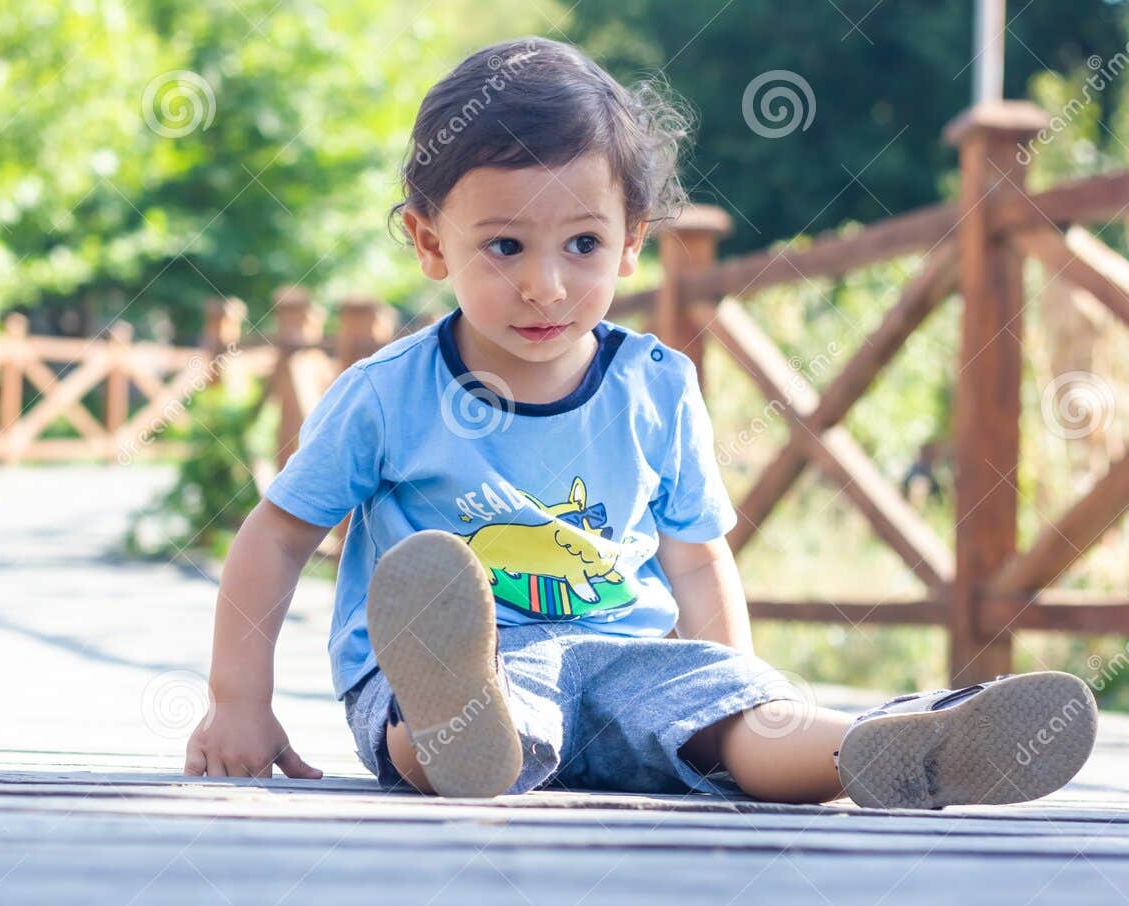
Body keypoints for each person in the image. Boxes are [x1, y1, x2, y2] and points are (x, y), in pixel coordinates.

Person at [183, 36, 1098, 805]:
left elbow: (696, 556)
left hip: (629, 661)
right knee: (468, 718)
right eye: (504, 246)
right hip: (470, 674)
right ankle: (459, 727)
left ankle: (892, 745)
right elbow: (276, 536)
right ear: (430, 243)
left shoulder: (656, 385)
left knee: (736, 719)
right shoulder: (390, 394)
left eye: (582, 244)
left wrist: (733, 687)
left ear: (631, 243)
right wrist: (239, 700)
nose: (545, 283)